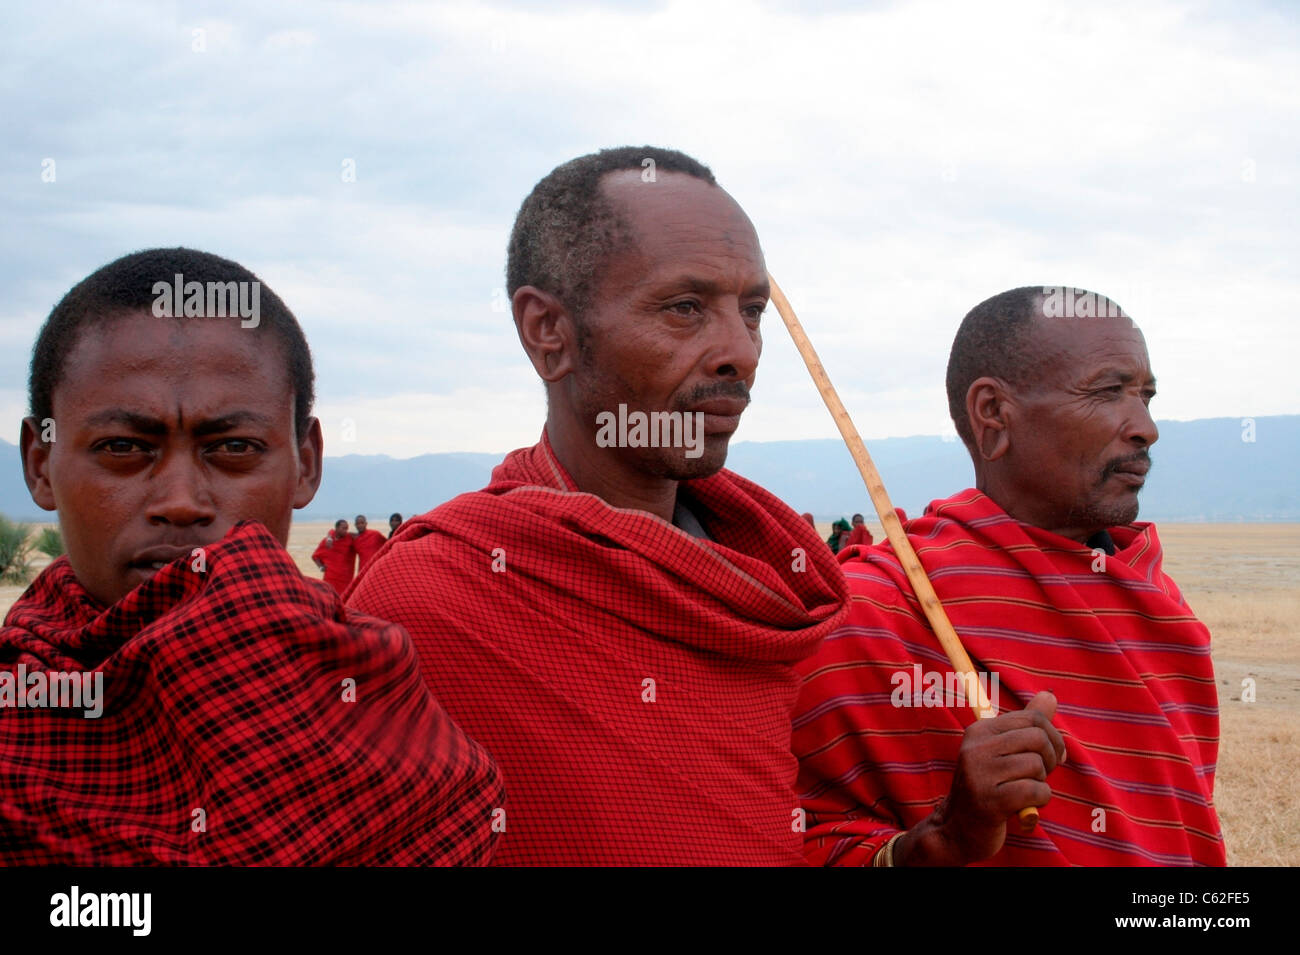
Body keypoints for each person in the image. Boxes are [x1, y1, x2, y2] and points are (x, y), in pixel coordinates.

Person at [348, 146, 848, 865]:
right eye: (686, 308)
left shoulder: (771, 593)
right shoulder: (435, 604)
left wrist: (928, 847)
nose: (742, 351)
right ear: (549, 332)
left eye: (752, 311)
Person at [2, 247, 502, 865]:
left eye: (234, 447)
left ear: (307, 464)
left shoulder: (377, 709)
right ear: (39, 464)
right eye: (123, 447)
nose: (181, 502)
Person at [793, 286, 1224, 866]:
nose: (1145, 426)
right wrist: (941, 839)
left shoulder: (1156, 602)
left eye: (1145, 395)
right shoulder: (875, 613)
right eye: (1108, 392)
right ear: (994, 413)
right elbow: (796, 842)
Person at [312, 519, 355, 594]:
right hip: (330, 578)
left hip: (345, 579)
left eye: (347, 528)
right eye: (343, 528)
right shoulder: (327, 542)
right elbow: (315, 556)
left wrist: (329, 534)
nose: (346, 531)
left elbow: (361, 536)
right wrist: (321, 567)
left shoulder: (349, 538)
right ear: (337, 528)